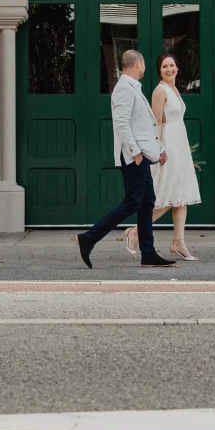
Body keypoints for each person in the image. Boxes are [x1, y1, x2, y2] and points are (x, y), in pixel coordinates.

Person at [75, 50, 177, 269]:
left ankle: (148, 253)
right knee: (134, 201)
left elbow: (142, 127)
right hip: (133, 157)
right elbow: (121, 125)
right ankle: (89, 238)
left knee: (147, 203)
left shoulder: (132, 88)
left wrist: (158, 148)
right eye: (145, 64)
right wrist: (136, 152)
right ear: (138, 64)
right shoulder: (123, 89)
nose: (146, 68)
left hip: (141, 153)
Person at [126, 53, 201, 261]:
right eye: (165, 66)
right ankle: (136, 231)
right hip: (168, 145)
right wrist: (157, 149)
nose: (170, 69)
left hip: (180, 145)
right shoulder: (160, 91)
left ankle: (178, 242)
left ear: (177, 68)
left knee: (181, 195)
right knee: (168, 196)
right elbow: (156, 123)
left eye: (173, 65)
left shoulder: (174, 89)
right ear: (159, 71)